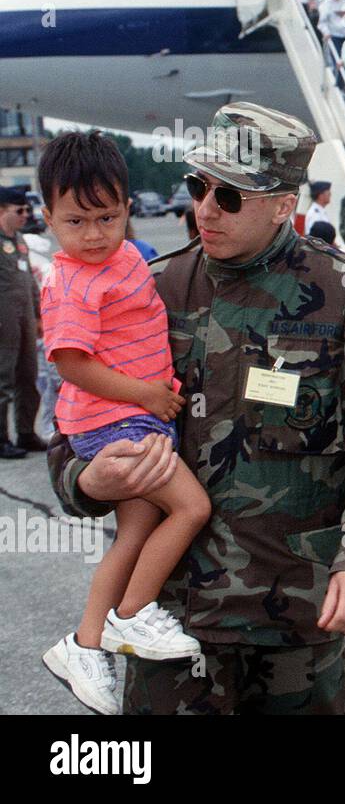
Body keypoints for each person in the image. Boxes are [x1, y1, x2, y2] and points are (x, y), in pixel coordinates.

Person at [47, 102, 345, 714]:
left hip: (293, 625)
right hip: (164, 626)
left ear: (283, 203)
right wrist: (88, 478)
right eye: (199, 187)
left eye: (230, 196)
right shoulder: (151, 288)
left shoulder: (341, 292)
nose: (204, 209)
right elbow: (71, 420)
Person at [36, 132, 210, 716]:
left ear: (129, 208)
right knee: (191, 508)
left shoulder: (129, 256)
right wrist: (147, 396)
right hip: (116, 422)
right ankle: (131, 617)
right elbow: (70, 363)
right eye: (75, 221)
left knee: (135, 534)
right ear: (48, 218)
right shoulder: (72, 283)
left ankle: (83, 645)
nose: (93, 235)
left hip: (135, 420)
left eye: (106, 217)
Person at [0, 186, 44, 457]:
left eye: (27, 210)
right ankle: (1, 438)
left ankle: (26, 433)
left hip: (24, 318)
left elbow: (29, 281)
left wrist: (39, 314)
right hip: (4, 321)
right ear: (1, 210)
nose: (26, 214)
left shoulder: (19, 241)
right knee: (3, 380)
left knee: (28, 375)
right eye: (20, 210)